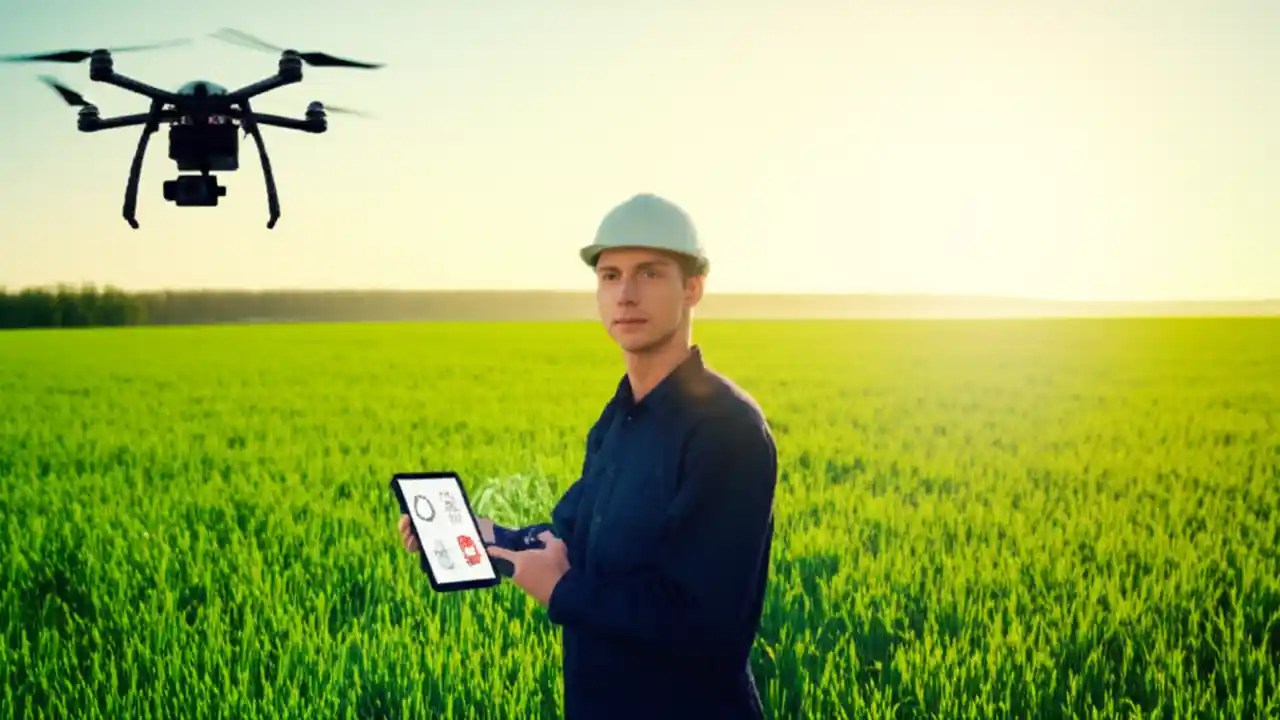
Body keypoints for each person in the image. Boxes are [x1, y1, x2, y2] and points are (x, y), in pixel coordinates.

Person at [398, 193, 778, 719]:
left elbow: (706, 628)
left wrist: (562, 592)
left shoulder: (726, 429)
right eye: (609, 275)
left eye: (649, 274)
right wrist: (487, 539)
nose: (625, 294)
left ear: (693, 287)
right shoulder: (616, 417)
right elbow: (570, 540)